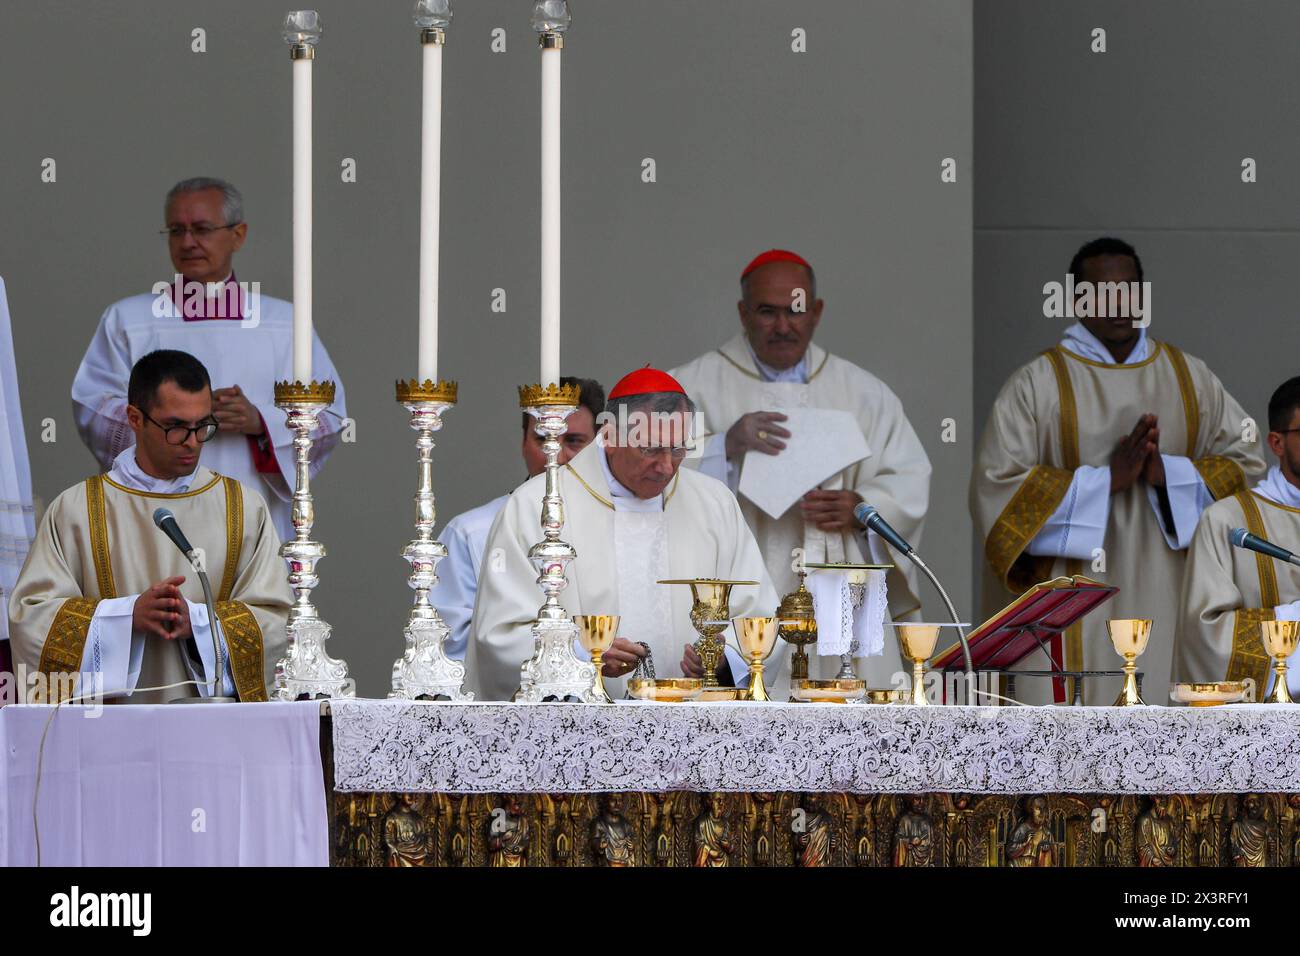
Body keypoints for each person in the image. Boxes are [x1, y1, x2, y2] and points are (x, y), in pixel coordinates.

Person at [971, 237, 1264, 703]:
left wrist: (1168, 476)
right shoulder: (1038, 384)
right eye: (1102, 292)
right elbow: (996, 495)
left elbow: (1248, 466)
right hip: (1075, 604)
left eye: (1129, 290)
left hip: (1172, 593)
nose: (1119, 304)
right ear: (1074, 300)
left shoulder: (1191, 378)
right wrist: (1107, 480)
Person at [671, 249, 931, 686]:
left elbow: (908, 479)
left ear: (817, 312)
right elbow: (650, 477)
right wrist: (723, 448)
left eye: (795, 311)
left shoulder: (865, 393)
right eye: (767, 312)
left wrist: (862, 507)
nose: (783, 325)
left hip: (841, 582)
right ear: (742, 313)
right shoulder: (691, 384)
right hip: (744, 578)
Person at [467, 367, 778, 701]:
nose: (666, 467)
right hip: (579, 732)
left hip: (696, 729)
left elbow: (759, 616)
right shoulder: (538, 506)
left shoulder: (714, 504)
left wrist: (722, 659)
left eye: (677, 449)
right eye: (650, 449)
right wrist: (586, 656)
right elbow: (501, 633)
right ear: (610, 437)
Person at [71, 177, 347, 542]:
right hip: (155, 514)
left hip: (252, 514)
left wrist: (260, 422)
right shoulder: (128, 320)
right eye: (176, 230)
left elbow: (328, 416)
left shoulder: (284, 323)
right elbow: (93, 408)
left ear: (238, 234)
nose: (188, 242)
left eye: (201, 229)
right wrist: (172, 420)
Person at [9, 350, 290, 703]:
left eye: (203, 426)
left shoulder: (243, 508)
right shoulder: (76, 510)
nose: (192, 442)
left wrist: (201, 625)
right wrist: (127, 617)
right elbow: (31, 620)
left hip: (213, 735)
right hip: (108, 736)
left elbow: (279, 622)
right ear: (135, 418)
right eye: (176, 427)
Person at [430, 376, 603, 659]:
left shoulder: (615, 529)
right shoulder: (470, 533)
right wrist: (583, 653)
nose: (555, 457)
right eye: (543, 440)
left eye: (573, 441)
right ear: (523, 443)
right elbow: (452, 646)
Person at [1175, 376, 1300, 693]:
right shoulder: (1226, 523)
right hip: (1266, 733)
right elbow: (1204, 637)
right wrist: (1292, 618)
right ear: (1276, 443)